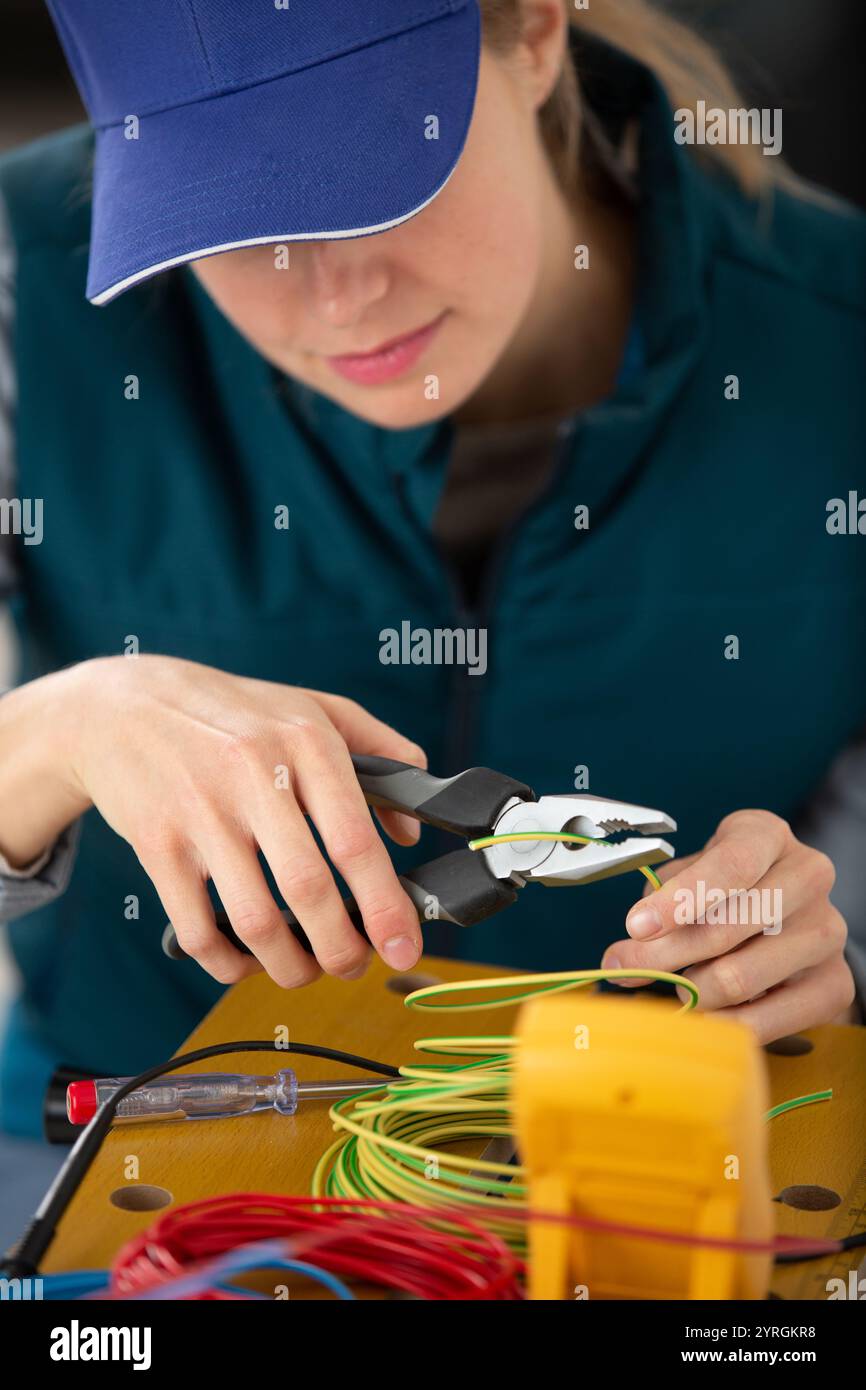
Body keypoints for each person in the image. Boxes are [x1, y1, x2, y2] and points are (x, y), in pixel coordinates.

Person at [0, 0, 864, 1146]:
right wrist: (54, 735)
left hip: (657, 1157)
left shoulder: (839, 342)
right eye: (225, 221)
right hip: (133, 1138)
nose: (338, 297)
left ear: (538, 32)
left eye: (383, 180)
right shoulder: (24, 294)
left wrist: (819, 943)